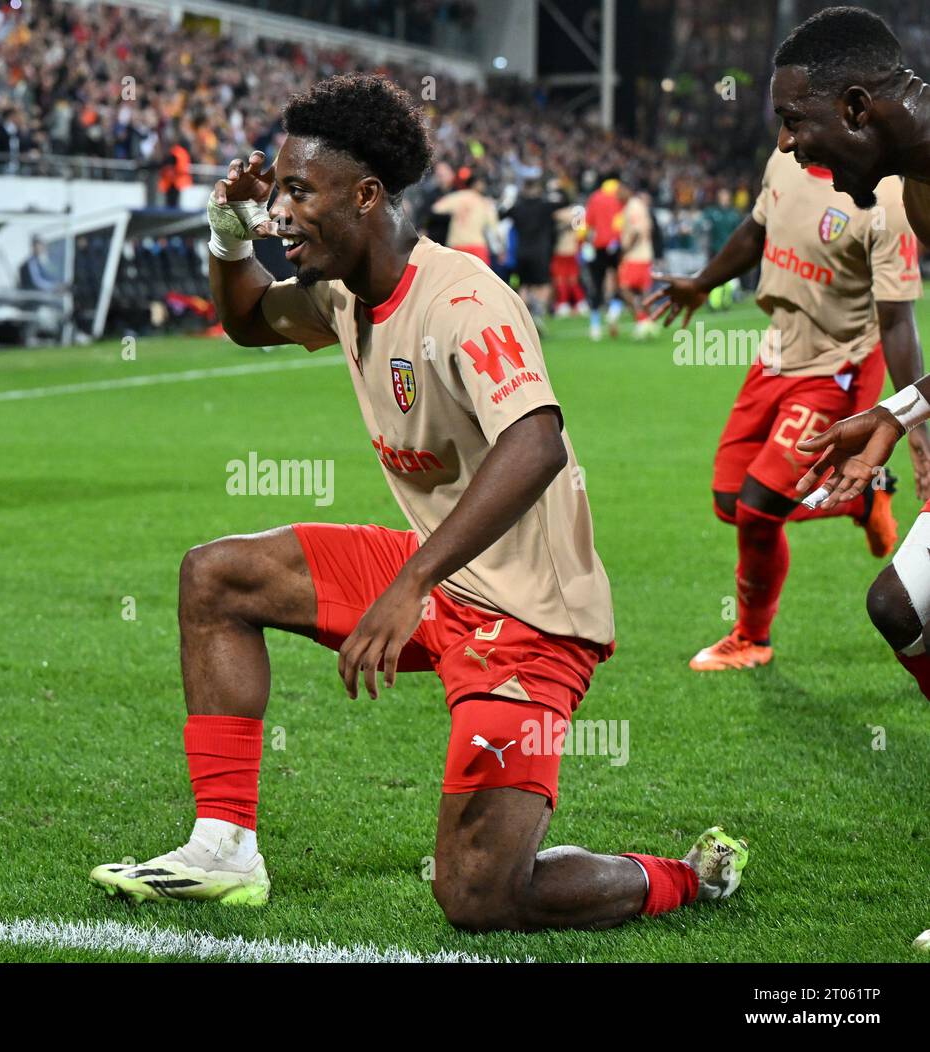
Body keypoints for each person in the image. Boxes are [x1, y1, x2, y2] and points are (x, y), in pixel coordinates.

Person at [90, 73, 747, 930]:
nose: (278, 214)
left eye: (298, 191)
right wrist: (226, 231)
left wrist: (409, 586)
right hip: (439, 575)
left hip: (531, 618)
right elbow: (249, 319)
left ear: (366, 195)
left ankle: (688, 877)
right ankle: (224, 850)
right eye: (276, 192)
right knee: (216, 578)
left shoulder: (466, 301)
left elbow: (536, 442)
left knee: (479, 896)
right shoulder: (343, 290)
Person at [646, 131, 923, 672]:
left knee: (756, 511)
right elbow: (756, 229)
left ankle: (752, 638)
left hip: (838, 368)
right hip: (774, 354)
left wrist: (914, 424)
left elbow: (897, 321)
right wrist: (703, 284)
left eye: (793, 115)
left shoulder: (886, 198)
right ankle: (862, 501)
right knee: (729, 501)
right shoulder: (783, 159)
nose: (782, 134)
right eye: (778, 118)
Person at [760, 6, 930, 698]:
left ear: (857, 108)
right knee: (897, 606)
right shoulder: (918, 193)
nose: (786, 142)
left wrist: (898, 412)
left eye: (796, 119)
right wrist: (901, 411)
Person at [500, 179, 557, 324]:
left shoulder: (518, 207)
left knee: (524, 284)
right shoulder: (545, 206)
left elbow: (501, 214)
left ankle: (525, 318)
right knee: (543, 283)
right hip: (540, 252)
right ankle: (538, 314)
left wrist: (508, 201)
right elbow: (564, 204)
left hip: (521, 253)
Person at [582, 175, 626, 341]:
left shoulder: (595, 197)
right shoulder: (621, 197)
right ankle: (614, 309)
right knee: (622, 282)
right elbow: (622, 221)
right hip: (616, 244)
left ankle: (595, 326)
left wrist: (584, 241)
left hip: (598, 245)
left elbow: (587, 222)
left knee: (597, 283)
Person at [429, 167, 498, 267]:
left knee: (457, 281)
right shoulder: (485, 202)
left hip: (457, 244)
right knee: (479, 280)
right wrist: (500, 250)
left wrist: (453, 215)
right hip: (477, 246)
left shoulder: (457, 197)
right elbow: (493, 228)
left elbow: (436, 208)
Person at [618, 183, 657, 339]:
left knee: (625, 288)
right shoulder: (639, 205)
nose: (617, 196)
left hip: (635, 256)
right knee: (643, 290)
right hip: (645, 254)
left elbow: (636, 232)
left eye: (620, 192)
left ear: (627, 190)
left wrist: (626, 250)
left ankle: (642, 321)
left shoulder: (632, 207)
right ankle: (649, 322)